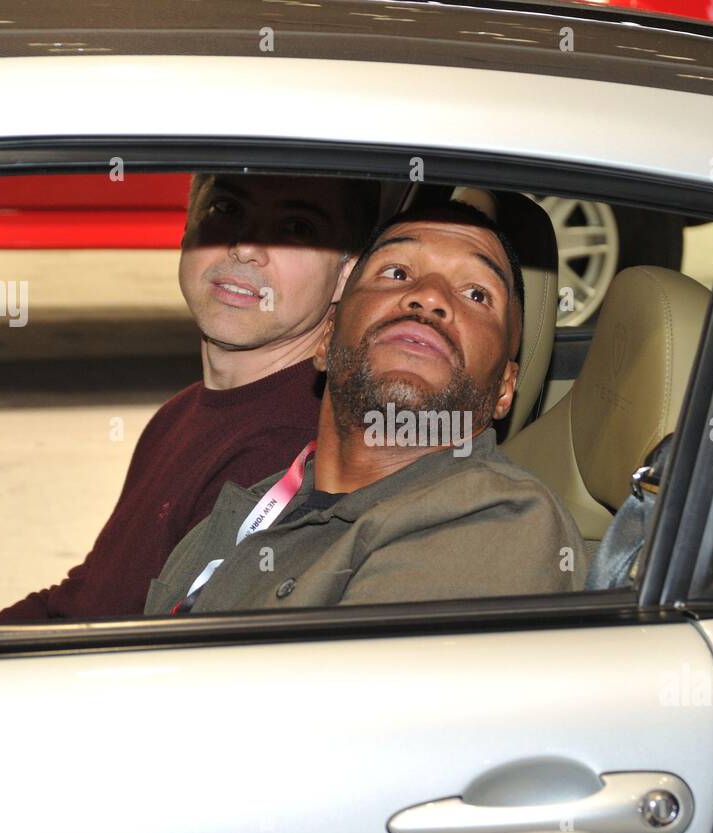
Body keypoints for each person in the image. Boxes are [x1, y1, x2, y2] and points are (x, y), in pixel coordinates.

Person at [145, 201, 586, 615]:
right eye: (396, 272)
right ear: (325, 340)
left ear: (505, 388)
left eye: (476, 294)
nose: (429, 297)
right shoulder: (259, 502)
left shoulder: (498, 521)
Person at [0, 173, 380, 623]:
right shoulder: (180, 412)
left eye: (297, 228)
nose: (246, 247)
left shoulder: (295, 449)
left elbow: (170, 653)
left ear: (347, 274)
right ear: (187, 229)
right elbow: (87, 601)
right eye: (227, 210)